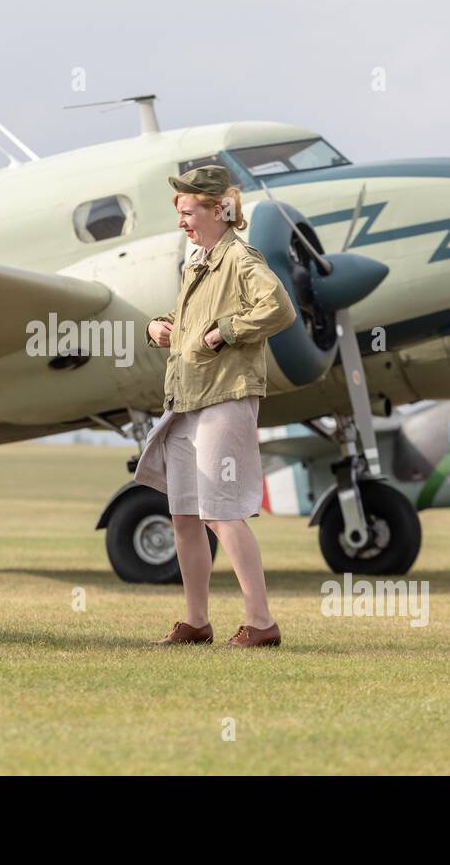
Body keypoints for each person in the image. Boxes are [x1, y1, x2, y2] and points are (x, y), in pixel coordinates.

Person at [134, 165, 298, 648]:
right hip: (187, 399)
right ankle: (196, 621)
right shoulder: (198, 263)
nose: (182, 222)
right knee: (185, 515)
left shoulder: (241, 259)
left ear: (215, 209)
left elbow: (279, 308)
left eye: (188, 212)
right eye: (181, 213)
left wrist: (224, 333)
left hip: (225, 398)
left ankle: (262, 623)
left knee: (223, 512)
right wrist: (158, 328)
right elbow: (191, 319)